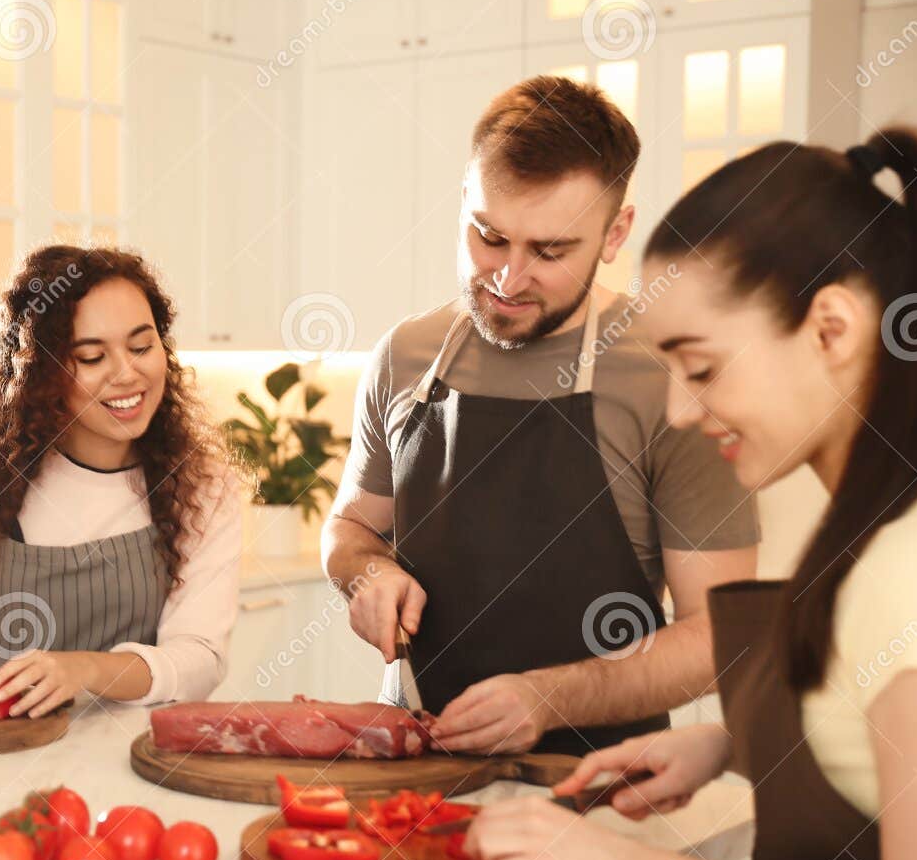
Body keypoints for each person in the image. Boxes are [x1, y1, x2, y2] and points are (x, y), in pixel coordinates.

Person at [467, 127, 917, 860]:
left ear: (832, 327)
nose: (684, 409)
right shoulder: (906, 511)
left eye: (700, 367)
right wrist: (733, 746)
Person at [324, 75, 759, 756]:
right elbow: (349, 526)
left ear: (615, 233)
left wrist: (551, 698)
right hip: (419, 768)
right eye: (488, 236)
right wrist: (365, 571)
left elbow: (719, 634)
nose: (507, 278)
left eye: (550, 251)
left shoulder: (673, 380)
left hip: (604, 785)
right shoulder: (406, 356)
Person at [0, 244, 242, 718]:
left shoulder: (203, 488)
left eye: (142, 347)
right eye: (91, 356)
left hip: (141, 760)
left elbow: (200, 660)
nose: (127, 373)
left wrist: (84, 670)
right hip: (1, 756)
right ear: (41, 374)